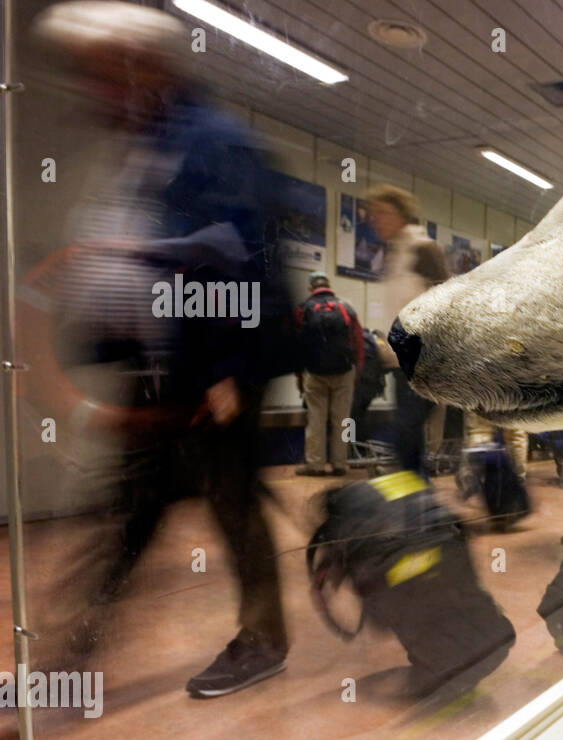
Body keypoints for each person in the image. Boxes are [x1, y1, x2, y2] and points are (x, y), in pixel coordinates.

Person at [32, 1, 291, 697]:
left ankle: (264, 640)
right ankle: (64, 667)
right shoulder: (148, 144)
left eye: (102, 75)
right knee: (128, 515)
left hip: (212, 373)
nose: (94, 93)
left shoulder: (214, 141)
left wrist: (233, 369)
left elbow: (249, 259)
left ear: (142, 65)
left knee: (232, 506)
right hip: (161, 370)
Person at [366, 184, 448, 475]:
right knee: (407, 436)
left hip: (425, 359)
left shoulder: (422, 248)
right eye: (373, 214)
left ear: (402, 214)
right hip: (401, 363)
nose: (376, 220)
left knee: (406, 431)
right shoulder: (393, 255)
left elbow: (445, 300)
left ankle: (417, 503)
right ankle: (417, 503)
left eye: (383, 213)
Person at [295, 271, 364, 476]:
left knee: (315, 418)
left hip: (314, 373)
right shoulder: (346, 308)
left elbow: (297, 346)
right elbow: (358, 342)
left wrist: (299, 376)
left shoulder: (303, 309)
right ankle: (340, 464)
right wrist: (357, 370)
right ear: (329, 286)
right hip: (344, 372)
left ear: (311, 288)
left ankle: (315, 465)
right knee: (342, 420)